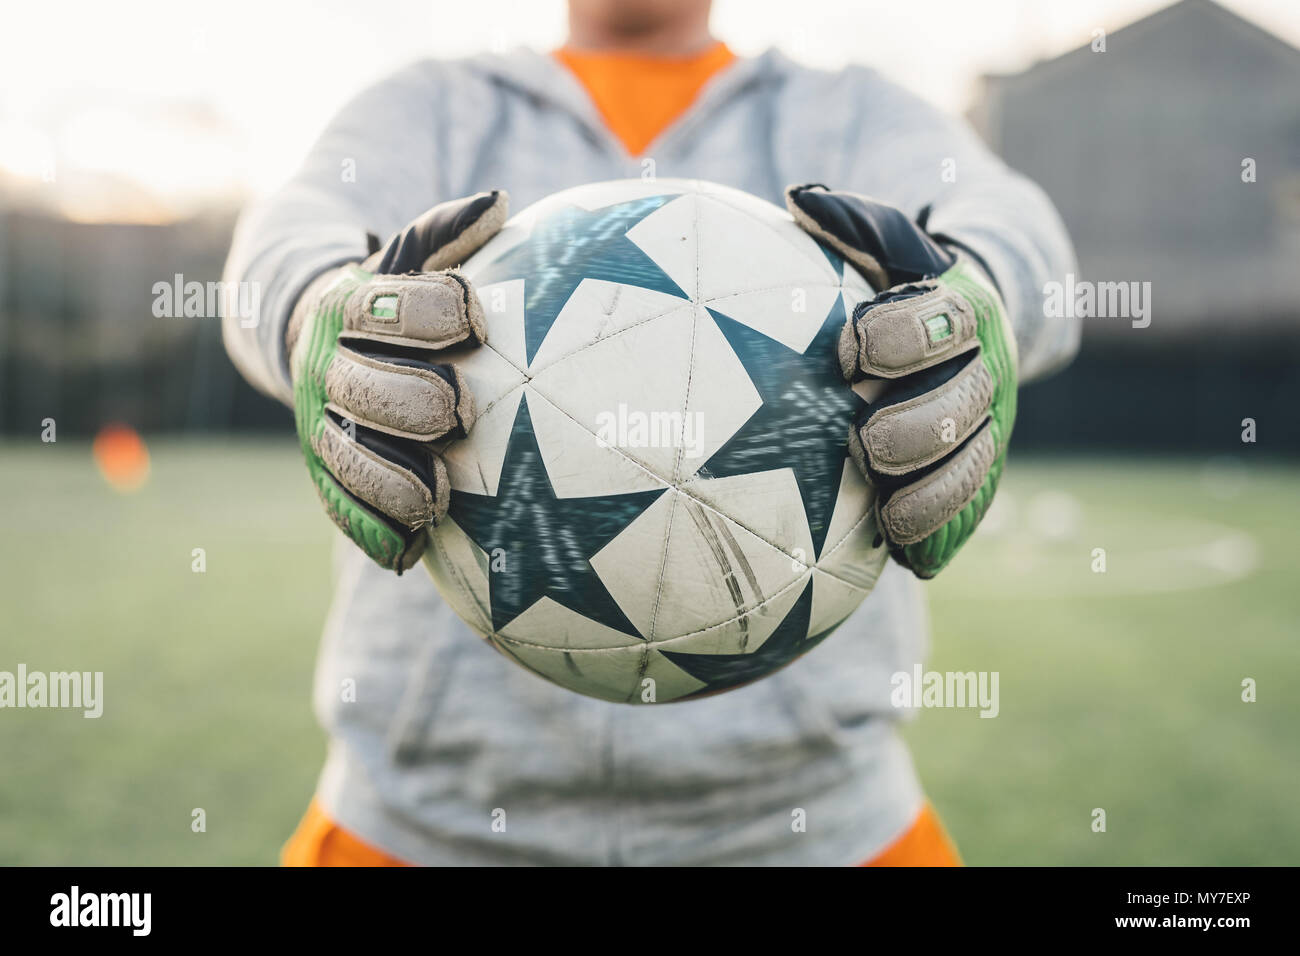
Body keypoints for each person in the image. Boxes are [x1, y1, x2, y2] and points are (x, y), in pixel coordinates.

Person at [222, 0, 1078, 866]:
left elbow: (1019, 228)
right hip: (418, 828)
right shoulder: (438, 105)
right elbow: (281, 238)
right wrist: (309, 313)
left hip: (820, 830)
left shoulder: (846, 111)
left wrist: (984, 298)